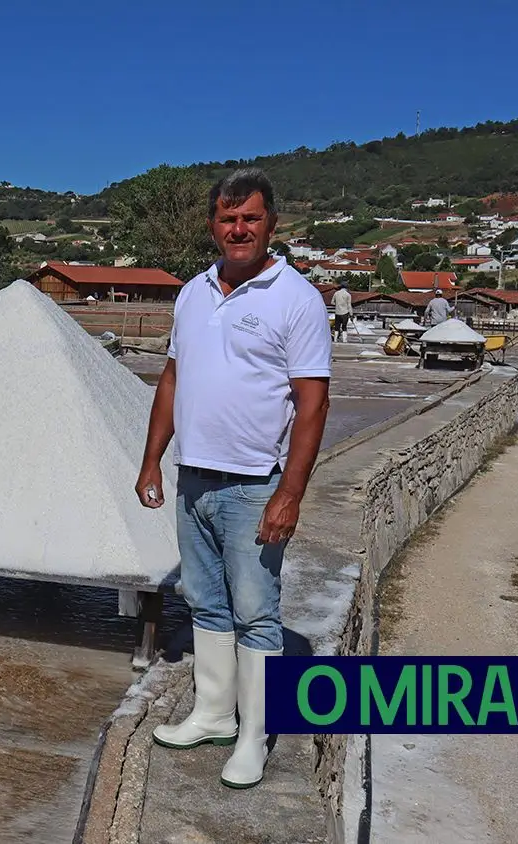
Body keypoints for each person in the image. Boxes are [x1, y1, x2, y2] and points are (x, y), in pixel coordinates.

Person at [135, 168, 331, 790]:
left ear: (272, 223)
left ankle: (254, 736)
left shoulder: (296, 298)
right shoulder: (193, 292)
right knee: (204, 600)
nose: (238, 229)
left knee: (256, 612)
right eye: (227, 218)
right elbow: (173, 379)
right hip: (193, 476)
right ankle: (214, 714)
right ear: (212, 225)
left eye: (250, 217)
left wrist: (289, 493)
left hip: (255, 485)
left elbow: (313, 403)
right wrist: (151, 460)